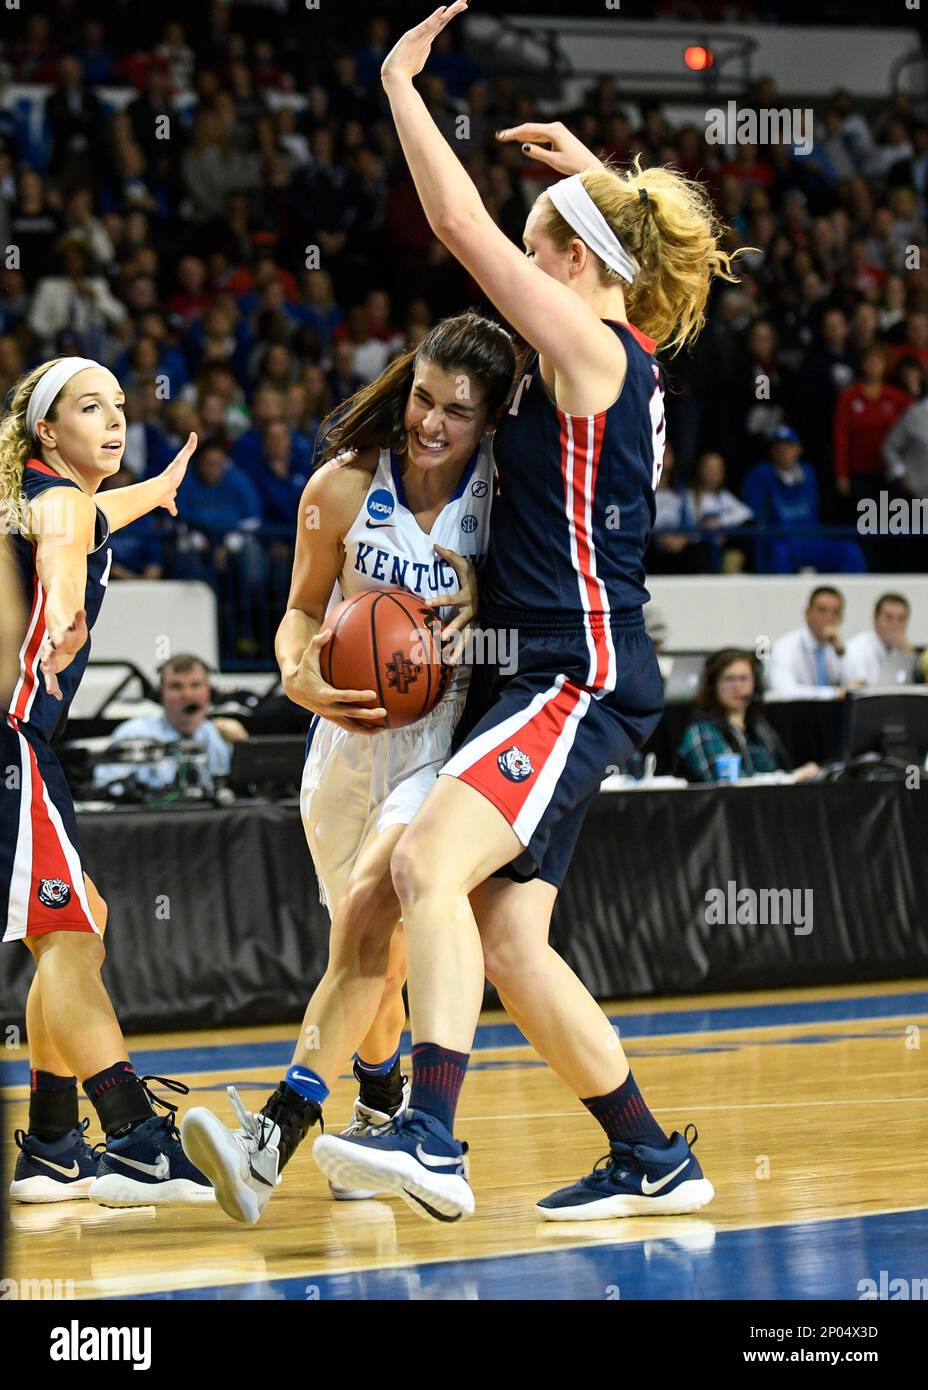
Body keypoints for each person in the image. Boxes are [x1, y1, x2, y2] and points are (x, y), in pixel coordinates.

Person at [311, 2, 733, 1225]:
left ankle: (432, 1137)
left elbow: (455, 221)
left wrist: (398, 82)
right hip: (548, 673)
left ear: (576, 268)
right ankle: (652, 1157)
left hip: (571, 673)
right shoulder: (610, 343)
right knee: (509, 941)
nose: (522, 265)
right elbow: (632, 267)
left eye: (543, 248)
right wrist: (600, 183)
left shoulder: (594, 346)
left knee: (428, 864)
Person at [180, 311, 514, 1223]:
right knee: (358, 948)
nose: (431, 422)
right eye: (422, 397)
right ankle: (377, 1106)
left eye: (458, 410)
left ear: (491, 421)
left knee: (376, 908)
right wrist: (301, 676)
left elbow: (548, 616)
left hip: (442, 740)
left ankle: (275, 1138)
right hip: (342, 741)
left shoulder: (510, 501)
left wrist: (485, 610)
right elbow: (296, 611)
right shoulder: (340, 487)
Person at [0, 355, 211, 1205]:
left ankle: (52, 1144)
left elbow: (87, 518)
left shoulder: (58, 493)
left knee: (81, 919)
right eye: (92, 408)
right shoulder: (54, 505)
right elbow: (62, 543)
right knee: (72, 935)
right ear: (48, 432)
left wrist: (154, 490)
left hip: (25, 748)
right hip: (13, 743)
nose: (116, 419)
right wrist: (66, 603)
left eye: (120, 405)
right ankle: (133, 1138)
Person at [91, 653, 248, 795]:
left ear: (209, 691)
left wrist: (243, 747)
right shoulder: (132, 733)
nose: (187, 695)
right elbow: (108, 788)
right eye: (176, 687)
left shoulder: (223, 735)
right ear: (161, 694)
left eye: (195, 685)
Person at [675, 649, 819, 783]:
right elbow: (726, 783)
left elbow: (777, 769)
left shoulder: (759, 727)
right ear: (714, 685)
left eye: (744, 678)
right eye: (729, 679)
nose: (738, 686)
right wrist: (789, 778)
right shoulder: (701, 730)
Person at [742, 425, 866, 574]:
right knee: (779, 555)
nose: (783, 451)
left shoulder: (809, 473)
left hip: (811, 541)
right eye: (778, 447)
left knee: (850, 551)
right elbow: (755, 518)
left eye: (788, 446)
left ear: (798, 449)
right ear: (772, 451)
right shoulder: (760, 476)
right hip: (782, 543)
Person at [768, 586, 850, 700]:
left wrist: (841, 653)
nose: (829, 618)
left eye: (835, 612)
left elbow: (852, 686)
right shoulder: (785, 647)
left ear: (841, 618)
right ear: (807, 614)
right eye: (822, 610)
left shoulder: (836, 647)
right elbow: (784, 692)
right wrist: (834, 693)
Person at [844, 593, 914, 687]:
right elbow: (859, 688)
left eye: (901, 619)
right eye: (889, 618)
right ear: (875, 619)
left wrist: (907, 655)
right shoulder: (857, 648)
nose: (895, 625)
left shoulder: (902, 649)